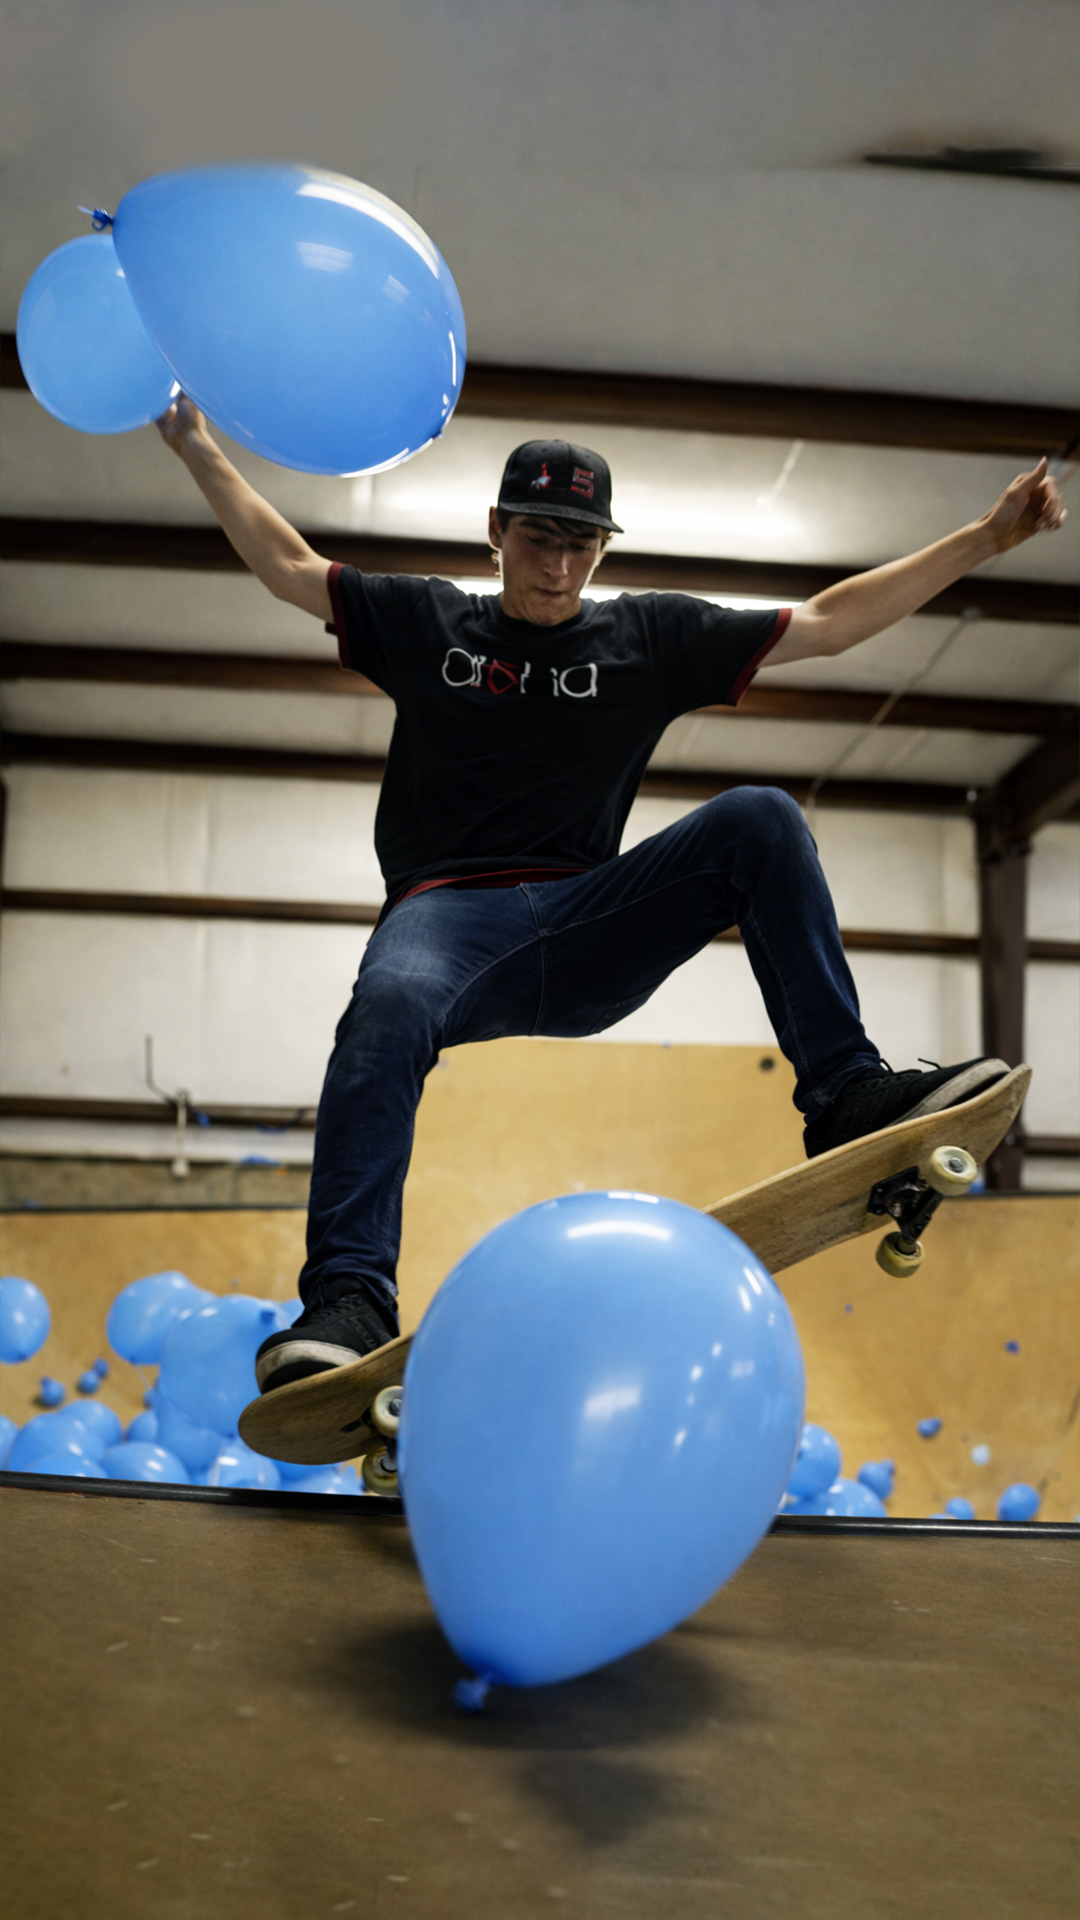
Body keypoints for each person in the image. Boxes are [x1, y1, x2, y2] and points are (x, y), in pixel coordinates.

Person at [156, 403, 1066, 1391]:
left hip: (592, 918)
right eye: (540, 540)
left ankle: (846, 1091)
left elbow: (830, 623)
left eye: (582, 547)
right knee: (387, 1003)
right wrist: (197, 445)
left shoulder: (648, 636)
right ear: (497, 533)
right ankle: (348, 1298)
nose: (557, 569)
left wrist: (988, 538)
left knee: (760, 816)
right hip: (450, 917)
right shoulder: (424, 622)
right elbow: (292, 569)